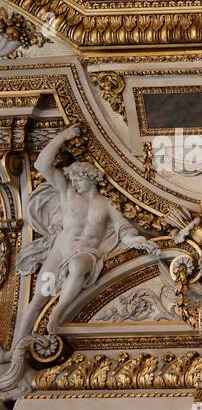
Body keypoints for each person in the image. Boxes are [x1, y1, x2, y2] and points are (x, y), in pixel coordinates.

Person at [2, 124, 155, 389]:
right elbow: (41, 164)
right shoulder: (67, 194)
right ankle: (14, 352)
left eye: (79, 179)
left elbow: (124, 229)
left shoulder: (105, 205)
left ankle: (59, 313)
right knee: (38, 297)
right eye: (72, 179)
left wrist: (137, 240)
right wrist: (62, 137)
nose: (74, 182)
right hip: (59, 249)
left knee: (77, 266)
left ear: (92, 178)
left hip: (87, 253)